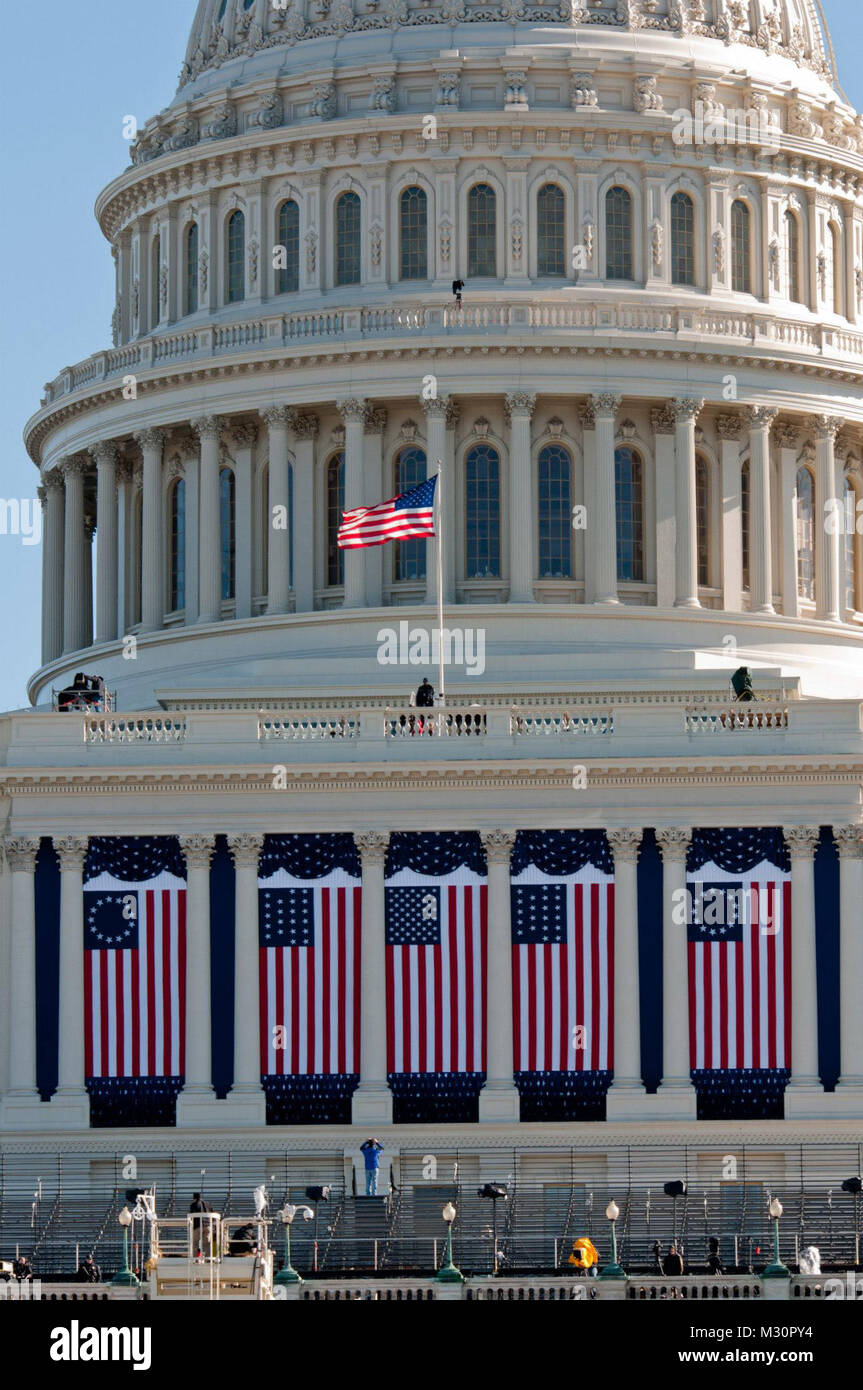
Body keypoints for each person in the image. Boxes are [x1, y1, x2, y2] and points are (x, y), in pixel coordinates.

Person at [189, 1191, 212, 1258]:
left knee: (195, 1242)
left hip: (198, 1225)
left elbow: (192, 1214)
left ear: (194, 1198)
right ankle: (208, 1258)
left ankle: (195, 1258)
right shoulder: (208, 1204)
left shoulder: (193, 1204)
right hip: (208, 1225)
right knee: (208, 1243)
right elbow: (211, 1212)